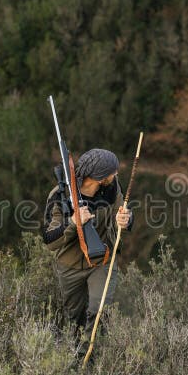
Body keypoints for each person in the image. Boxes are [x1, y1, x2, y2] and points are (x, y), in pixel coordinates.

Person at [42, 148, 133, 359]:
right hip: (70, 266)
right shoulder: (60, 195)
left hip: (102, 260)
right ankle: (71, 358)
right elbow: (50, 240)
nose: (116, 175)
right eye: (113, 172)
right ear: (100, 177)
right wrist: (73, 223)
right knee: (73, 317)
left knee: (98, 310)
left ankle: (89, 358)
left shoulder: (111, 189)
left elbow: (123, 212)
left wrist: (126, 220)